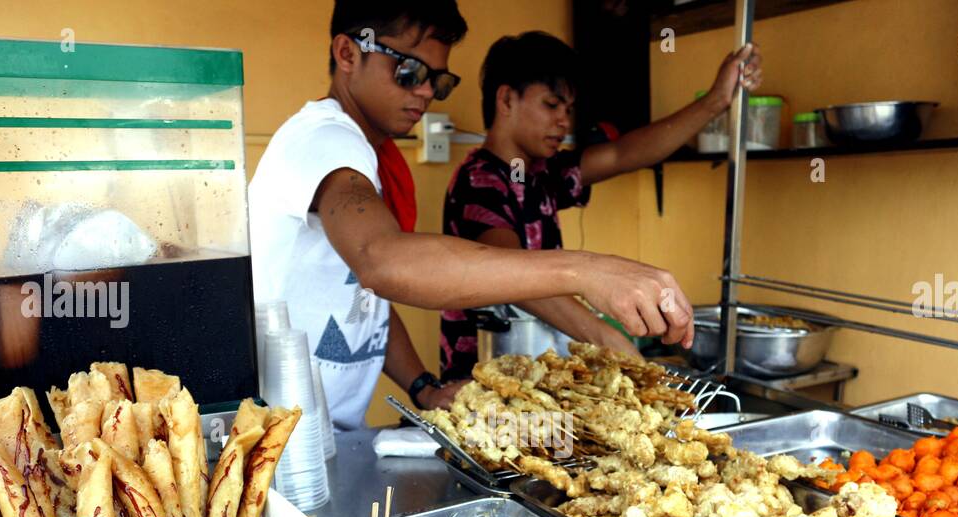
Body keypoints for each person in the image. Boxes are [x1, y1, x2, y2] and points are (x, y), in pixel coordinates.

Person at [249, 1, 694, 430]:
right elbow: (381, 261)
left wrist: (423, 387)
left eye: (438, 81)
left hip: (324, 435)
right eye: (410, 71)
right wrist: (588, 272)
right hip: (277, 440)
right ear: (348, 53)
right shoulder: (325, 140)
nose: (425, 91)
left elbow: (363, 302)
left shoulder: (365, 157)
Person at [440, 31, 762, 382]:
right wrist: (606, 338)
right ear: (506, 100)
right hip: (482, 386)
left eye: (569, 109)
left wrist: (716, 101)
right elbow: (509, 271)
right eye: (551, 105)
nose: (564, 121)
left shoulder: (543, 173)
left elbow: (626, 153)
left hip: (538, 379)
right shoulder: (480, 181)